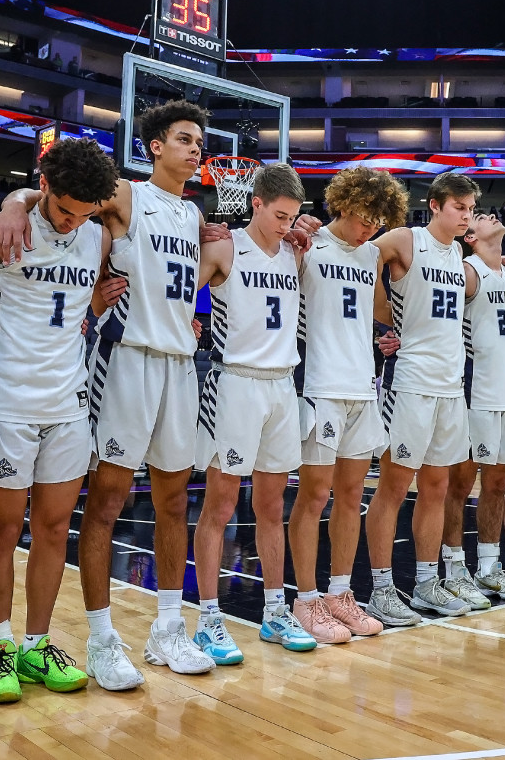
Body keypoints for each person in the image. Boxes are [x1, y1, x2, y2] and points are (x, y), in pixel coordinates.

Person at [0, 100, 243, 682]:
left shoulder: (191, 215)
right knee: (106, 503)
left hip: (181, 365)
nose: (196, 148)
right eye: (185, 138)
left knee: (174, 502)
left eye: (199, 141)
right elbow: (56, 196)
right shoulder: (126, 195)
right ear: (155, 146)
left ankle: (166, 630)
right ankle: (103, 638)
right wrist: (10, 201)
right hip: (125, 360)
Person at [0, 138, 121, 704]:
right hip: (7, 399)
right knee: (3, 529)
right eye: (63, 210)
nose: (71, 222)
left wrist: (95, 306)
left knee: (56, 531)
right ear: (44, 185)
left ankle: (37, 644)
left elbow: (75, 305)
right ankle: (0, 647)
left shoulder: (97, 233)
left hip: (68, 404)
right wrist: (16, 203)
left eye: (82, 214)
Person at [193, 163, 316, 660]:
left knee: (271, 507)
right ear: (256, 204)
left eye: (295, 217)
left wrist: (304, 231)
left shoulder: (294, 252)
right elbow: (180, 293)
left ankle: (273, 612)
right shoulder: (225, 247)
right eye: (280, 215)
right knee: (220, 507)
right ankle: (207, 618)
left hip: (282, 386)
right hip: (234, 382)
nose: (287, 224)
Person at [287, 167, 408, 642]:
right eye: (363, 217)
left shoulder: (371, 256)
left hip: (363, 387)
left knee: (351, 496)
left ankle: (340, 593)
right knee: (314, 495)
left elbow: (381, 311)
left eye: (378, 220)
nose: (369, 227)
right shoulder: (309, 244)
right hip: (318, 385)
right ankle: (305, 600)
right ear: (342, 203)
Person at [364, 173, 480, 626]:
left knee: (436, 487)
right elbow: (361, 258)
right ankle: (380, 589)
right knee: (393, 487)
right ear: (434, 205)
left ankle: (427, 583)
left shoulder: (458, 255)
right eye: (459, 207)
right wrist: (382, 319)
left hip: (450, 386)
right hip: (410, 382)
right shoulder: (406, 240)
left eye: (470, 208)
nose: (466, 215)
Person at [438, 211, 505, 609]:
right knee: (459, 484)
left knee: (496, 485)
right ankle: (454, 570)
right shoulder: (466, 271)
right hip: (474, 391)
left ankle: (490, 567)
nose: (490, 215)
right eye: (479, 216)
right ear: (471, 237)